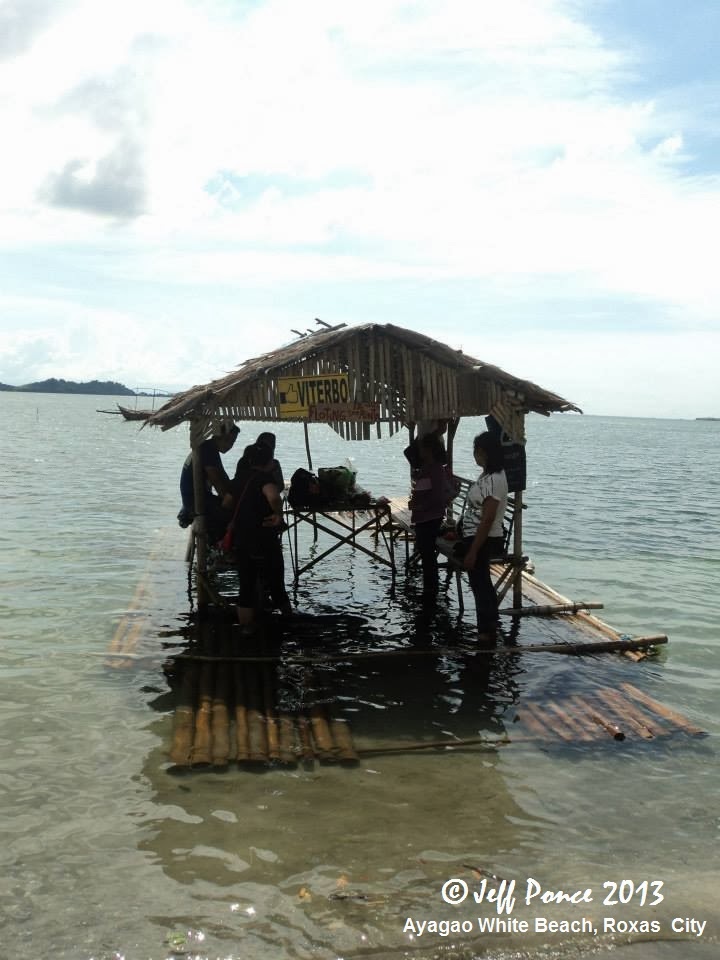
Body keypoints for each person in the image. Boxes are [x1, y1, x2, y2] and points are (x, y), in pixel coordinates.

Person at [228, 441, 292, 628]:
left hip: (242, 538)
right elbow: (273, 496)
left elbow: (226, 503)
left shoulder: (239, 479)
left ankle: (246, 631)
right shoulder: (264, 479)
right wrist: (278, 515)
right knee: (276, 583)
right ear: (270, 462)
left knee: (246, 586)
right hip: (263, 538)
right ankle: (289, 620)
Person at [458, 432, 508, 642]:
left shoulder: (495, 479)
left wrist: (473, 551)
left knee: (481, 584)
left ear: (486, 453)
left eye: (477, 452)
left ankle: (486, 632)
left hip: (485, 539)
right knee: (479, 583)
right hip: (473, 535)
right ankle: (488, 626)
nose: (475, 456)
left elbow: (487, 519)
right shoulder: (486, 476)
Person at [409, 433, 455, 606]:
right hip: (424, 517)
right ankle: (430, 587)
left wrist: (419, 507)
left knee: (427, 554)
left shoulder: (435, 469)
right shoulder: (427, 468)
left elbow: (436, 497)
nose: (419, 452)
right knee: (425, 551)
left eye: (422, 448)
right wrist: (415, 502)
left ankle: (431, 590)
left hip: (429, 517)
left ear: (428, 450)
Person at [178, 420, 240, 540]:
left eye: (233, 442)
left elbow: (223, 476)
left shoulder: (209, 448)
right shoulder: (208, 450)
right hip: (195, 500)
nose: (230, 446)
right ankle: (219, 548)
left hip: (198, 496)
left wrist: (234, 490)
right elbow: (217, 483)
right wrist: (228, 500)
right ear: (218, 436)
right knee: (234, 514)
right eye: (228, 441)